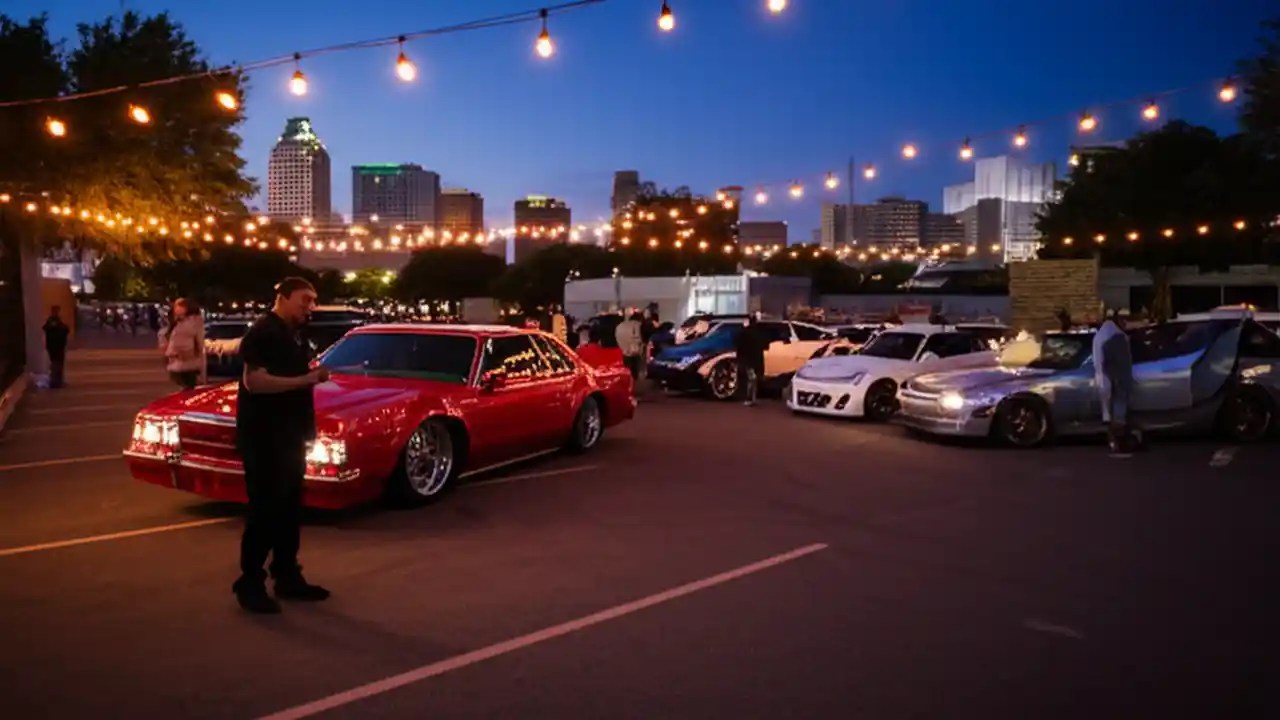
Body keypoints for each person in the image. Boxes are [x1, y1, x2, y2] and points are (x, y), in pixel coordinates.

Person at [233, 277, 331, 614]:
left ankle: (288, 576)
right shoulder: (264, 332)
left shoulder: (292, 334)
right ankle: (250, 583)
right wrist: (307, 379)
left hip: (289, 438)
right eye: (305, 300)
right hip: (265, 440)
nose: (310, 307)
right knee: (265, 512)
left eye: (314, 301)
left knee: (289, 511)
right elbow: (254, 382)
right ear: (283, 297)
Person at [1092, 310, 1138, 454]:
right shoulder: (1116, 337)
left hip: (1105, 378)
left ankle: (1116, 440)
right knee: (1119, 408)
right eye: (1124, 320)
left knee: (1111, 410)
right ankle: (1120, 441)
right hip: (1115, 379)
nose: (1126, 323)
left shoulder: (1102, 335)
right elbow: (1121, 365)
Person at [164, 298, 206, 390]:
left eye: (178, 305)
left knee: (187, 391)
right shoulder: (178, 322)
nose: (175, 308)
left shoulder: (193, 323)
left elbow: (199, 344)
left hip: (187, 364)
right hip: (177, 363)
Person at [735, 314, 766, 406]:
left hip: (748, 360)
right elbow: (762, 346)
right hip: (756, 359)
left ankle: (750, 398)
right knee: (753, 379)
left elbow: (739, 346)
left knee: (752, 379)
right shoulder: (758, 332)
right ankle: (751, 398)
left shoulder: (744, 332)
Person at [42, 307, 70, 389]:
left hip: (53, 346)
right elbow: (65, 329)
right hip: (58, 346)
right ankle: (56, 381)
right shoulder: (56, 322)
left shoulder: (50, 321)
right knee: (57, 364)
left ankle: (56, 381)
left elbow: (45, 328)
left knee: (56, 363)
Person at [615, 311, 644, 382]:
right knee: (635, 373)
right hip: (634, 352)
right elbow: (638, 338)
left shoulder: (620, 325)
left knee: (626, 373)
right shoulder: (637, 325)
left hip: (623, 352)